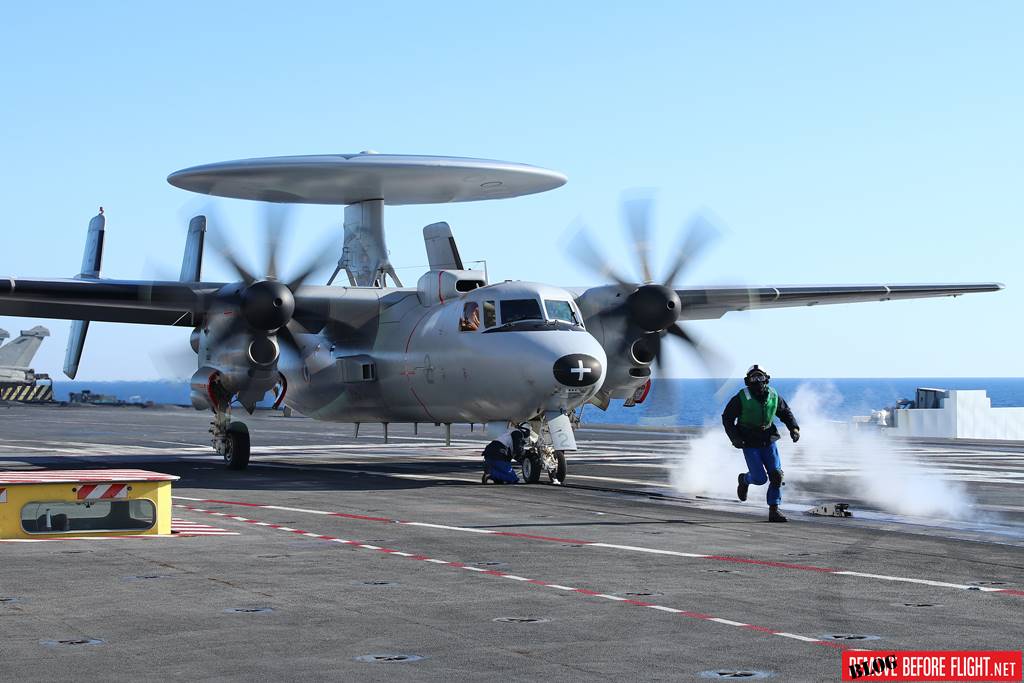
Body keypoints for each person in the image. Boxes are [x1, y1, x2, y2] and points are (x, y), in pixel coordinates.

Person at [721, 365, 800, 522]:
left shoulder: (774, 396)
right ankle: (744, 480)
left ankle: (774, 510)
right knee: (759, 479)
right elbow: (727, 418)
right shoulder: (741, 398)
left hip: (769, 439)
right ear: (747, 381)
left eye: (760, 377)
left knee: (776, 475)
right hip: (749, 442)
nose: (758, 381)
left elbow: (785, 412)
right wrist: (734, 438)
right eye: (754, 378)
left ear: (766, 379)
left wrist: (794, 428)